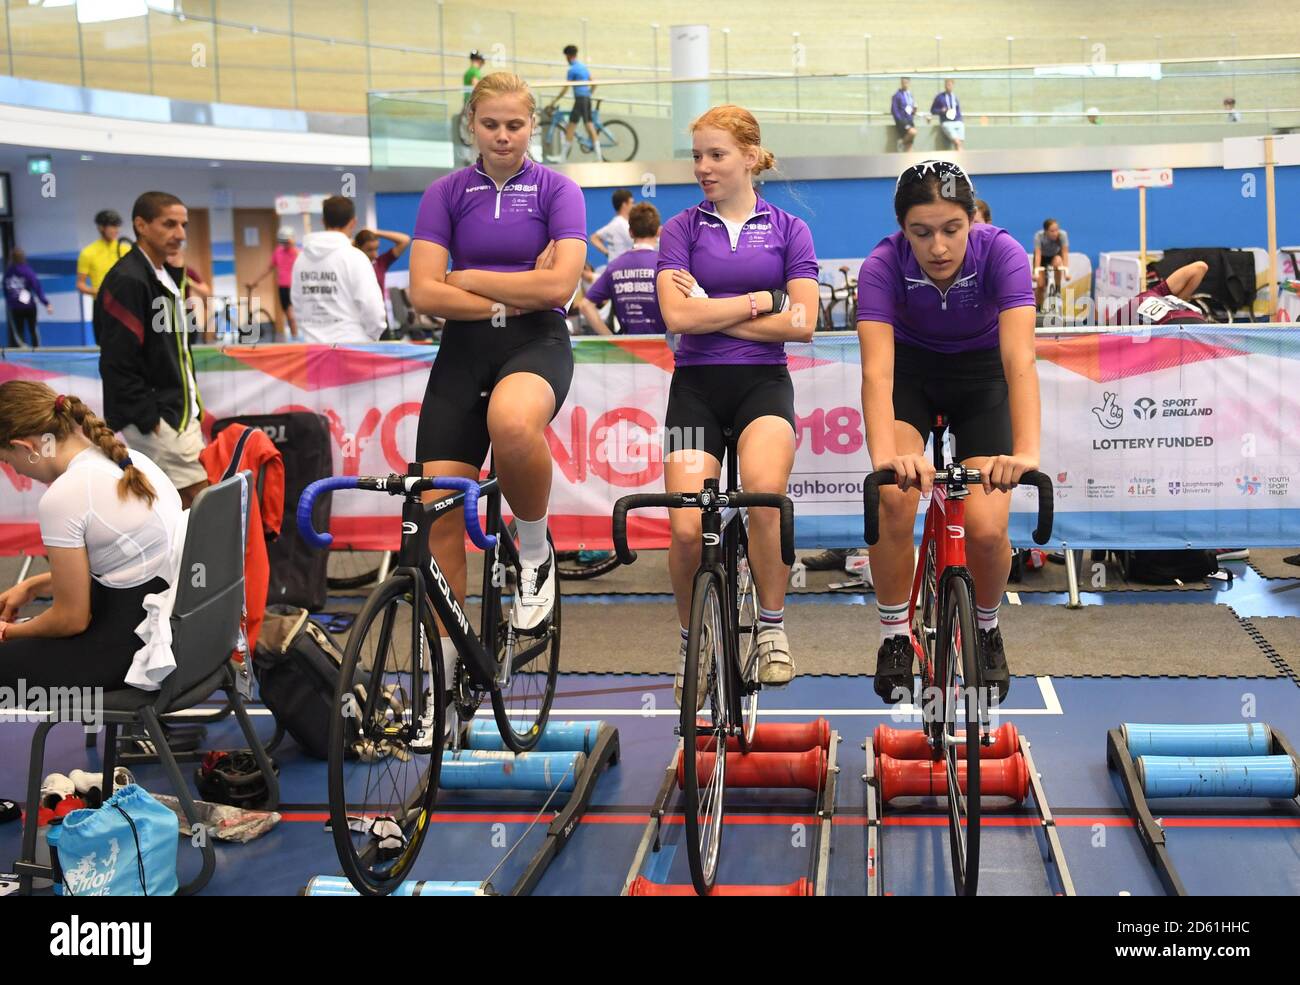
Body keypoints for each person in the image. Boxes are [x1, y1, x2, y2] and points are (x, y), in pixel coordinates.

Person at [407, 70, 585, 724]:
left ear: (531, 125)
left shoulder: (558, 190)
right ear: (471, 125)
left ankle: (535, 551)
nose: (503, 136)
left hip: (536, 345)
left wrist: (470, 278)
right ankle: (445, 683)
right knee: (438, 513)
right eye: (491, 125)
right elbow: (423, 294)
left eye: (515, 125)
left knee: (512, 423)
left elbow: (559, 288)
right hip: (462, 354)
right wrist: (517, 286)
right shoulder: (445, 193)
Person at [856, 160, 1039, 705]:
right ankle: (894, 636)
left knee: (985, 530)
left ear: (972, 220)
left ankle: (984, 626)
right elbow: (876, 373)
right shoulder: (882, 266)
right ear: (902, 230)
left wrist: (1026, 451)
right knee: (894, 496)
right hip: (910, 379)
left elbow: (1020, 362)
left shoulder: (1002, 254)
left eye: (951, 229)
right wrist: (886, 455)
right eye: (922, 232)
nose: (938, 246)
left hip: (981, 381)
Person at [655, 104, 820, 708]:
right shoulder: (680, 230)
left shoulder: (788, 229)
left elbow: (802, 323)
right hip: (692, 391)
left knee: (763, 499)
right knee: (683, 525)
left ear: (750, 157)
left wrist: (713, 312)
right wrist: (757, 301)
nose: (703, 166)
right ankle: (688, 641)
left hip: (763, 390)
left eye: (716, 154)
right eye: (696, 155)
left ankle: (772, 630)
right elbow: (677, 319)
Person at [0, 381, 182, 692]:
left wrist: (9, 631)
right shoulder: (131, 461)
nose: (13, 470)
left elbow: (71, 620)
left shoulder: (64, 496)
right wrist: (34, 585)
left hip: (126, 652)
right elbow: (126, 567)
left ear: (26, 448)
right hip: (164, 631)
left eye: (7, 461)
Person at [97, 191, 210, 510]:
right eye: (169, 224)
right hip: (161, 420)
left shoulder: (164, 275)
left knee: (177, 509)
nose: (181, 234)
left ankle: (182, 562)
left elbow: (175, 351)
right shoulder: (128, 280)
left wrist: (191, 406)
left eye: (184, 225)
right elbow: (116, 360)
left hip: (178, 411)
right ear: (141, 225)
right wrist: (151, 419)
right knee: (202, 504)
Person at [291, 197, 388, 344]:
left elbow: (298, 303)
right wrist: (370, 338)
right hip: (352, 348)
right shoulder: (355, 257)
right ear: (353, 222)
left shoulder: (301, 259)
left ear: (323, 221)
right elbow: (373, 308)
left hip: (314, 348)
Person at [577, 202, 666, 335]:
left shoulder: (615, 266)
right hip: (661, 348)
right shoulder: (664, 265)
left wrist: (611, 340)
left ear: (630, 232)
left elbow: (585, 305)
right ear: (659, 231)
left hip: (627, 350)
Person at [77, 209, 132, 344]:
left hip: (124, 303)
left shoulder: (125, 248)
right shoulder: (88, 252)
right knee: (103, 344)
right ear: (101, 227)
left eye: (117, 226)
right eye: (112, 226)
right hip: (102, 305)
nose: (116, 230)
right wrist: (100, 292)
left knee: (128, 343)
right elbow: (81, 285)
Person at [546, 44, 602, 162]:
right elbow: (594, 83)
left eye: (566, 56)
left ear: (569, 56)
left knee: (571, 127)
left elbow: (566, 88)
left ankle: (562, 158)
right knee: (589, 125)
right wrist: (588, 94)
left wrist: (555, 101)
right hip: (586, 99)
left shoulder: (572, 70)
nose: (566, 59)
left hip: (580, 100)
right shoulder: (583, 67)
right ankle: (599, 157)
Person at [247, 228, 299, 342]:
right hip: (283, 287)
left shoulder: (297, 253)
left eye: (287, 242)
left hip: (294, 287)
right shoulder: (278, 251)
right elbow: (268, 268)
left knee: (291, 314)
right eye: (283, 242)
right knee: (288, 314)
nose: (285, 245)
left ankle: (296, 338)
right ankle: (294, 337)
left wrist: (293, 245)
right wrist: (255, 281)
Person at [1120, 261, 1209, 324]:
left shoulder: (1129, 307)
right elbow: (1201, 266)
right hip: (1200, 323)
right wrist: (1179, 299)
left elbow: (1200, 267)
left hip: (1174, 328)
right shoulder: (1159, 291)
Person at [4, 248, 52, 348]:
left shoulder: (7, 274)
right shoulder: (27, 271)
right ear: (23, 258)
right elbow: (37, 287)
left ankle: (22, 350)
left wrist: (10, 302)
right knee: (33, 329)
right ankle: (37, 349)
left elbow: (6, 291)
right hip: (29, 306)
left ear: (11, 259)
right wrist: (46, 303)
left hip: (15, 308)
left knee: (19, 331)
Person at [167, 246, 213, 340]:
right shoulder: (163, 272)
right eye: (168, 254)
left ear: (181, 253)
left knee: (191, 341)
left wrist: (190, 282)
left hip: (187, 313)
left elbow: (207, 291)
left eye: (173, 254)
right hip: (169, 313)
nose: (170, 257)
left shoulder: (188, 271)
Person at [353, 228, 412, 296]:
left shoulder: (381, 263)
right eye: (370, 250)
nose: (375, 254)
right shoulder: (351, 267)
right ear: (358, 248)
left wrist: (376, 232)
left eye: (376, 249)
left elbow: (405, 240)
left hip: (380, 306)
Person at [1033, 218, 1070, 310]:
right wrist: (1035, 272)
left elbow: (1065, 253)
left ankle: (1057, 289)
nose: (1055, 233)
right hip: (1042, 258)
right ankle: (1038, 308)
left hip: (1055, 256)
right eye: (1052, 231)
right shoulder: (1038, 236)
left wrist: (1066, 272)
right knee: (1041, 286)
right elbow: (1038, 255)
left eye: (1057, 230)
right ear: (1045, 231)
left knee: (1058, 261)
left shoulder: (1063, 235)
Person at [590, 189, 635, 262]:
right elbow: (636, 243)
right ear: (624, 204)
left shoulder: (612, 224)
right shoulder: (623, 225)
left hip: (613, 266)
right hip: (623, 267)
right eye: (632, 203)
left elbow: (594, 238)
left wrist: (608, 254)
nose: (633, 206)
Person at [930, 79, 965, 150]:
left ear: (953, 86)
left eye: (950, 85)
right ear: (945, 86)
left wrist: (960, 119)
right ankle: (962, 159)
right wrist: (941, 111)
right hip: (947, 122)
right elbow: (932, 110)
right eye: (947, 84)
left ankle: (959, 158)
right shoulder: (940, 97)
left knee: (960, 143)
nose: (948, 86)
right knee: (957, 142)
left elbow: (958, 110)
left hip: (957, 121)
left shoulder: (954, 97)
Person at [891, 77, 918, 152]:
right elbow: (894, 110)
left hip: (910, 120)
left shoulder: (910, 95)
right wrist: (900, 120)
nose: (905, 84)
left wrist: (914, 110)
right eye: (903, 82)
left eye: (906, 82)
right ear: (901, 83)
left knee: (909, 145)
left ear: (909, 83)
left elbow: (910, 108)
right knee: (913, 132)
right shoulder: (897, 95)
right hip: (902, 121)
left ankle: (908, 161)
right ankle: (901, 143)